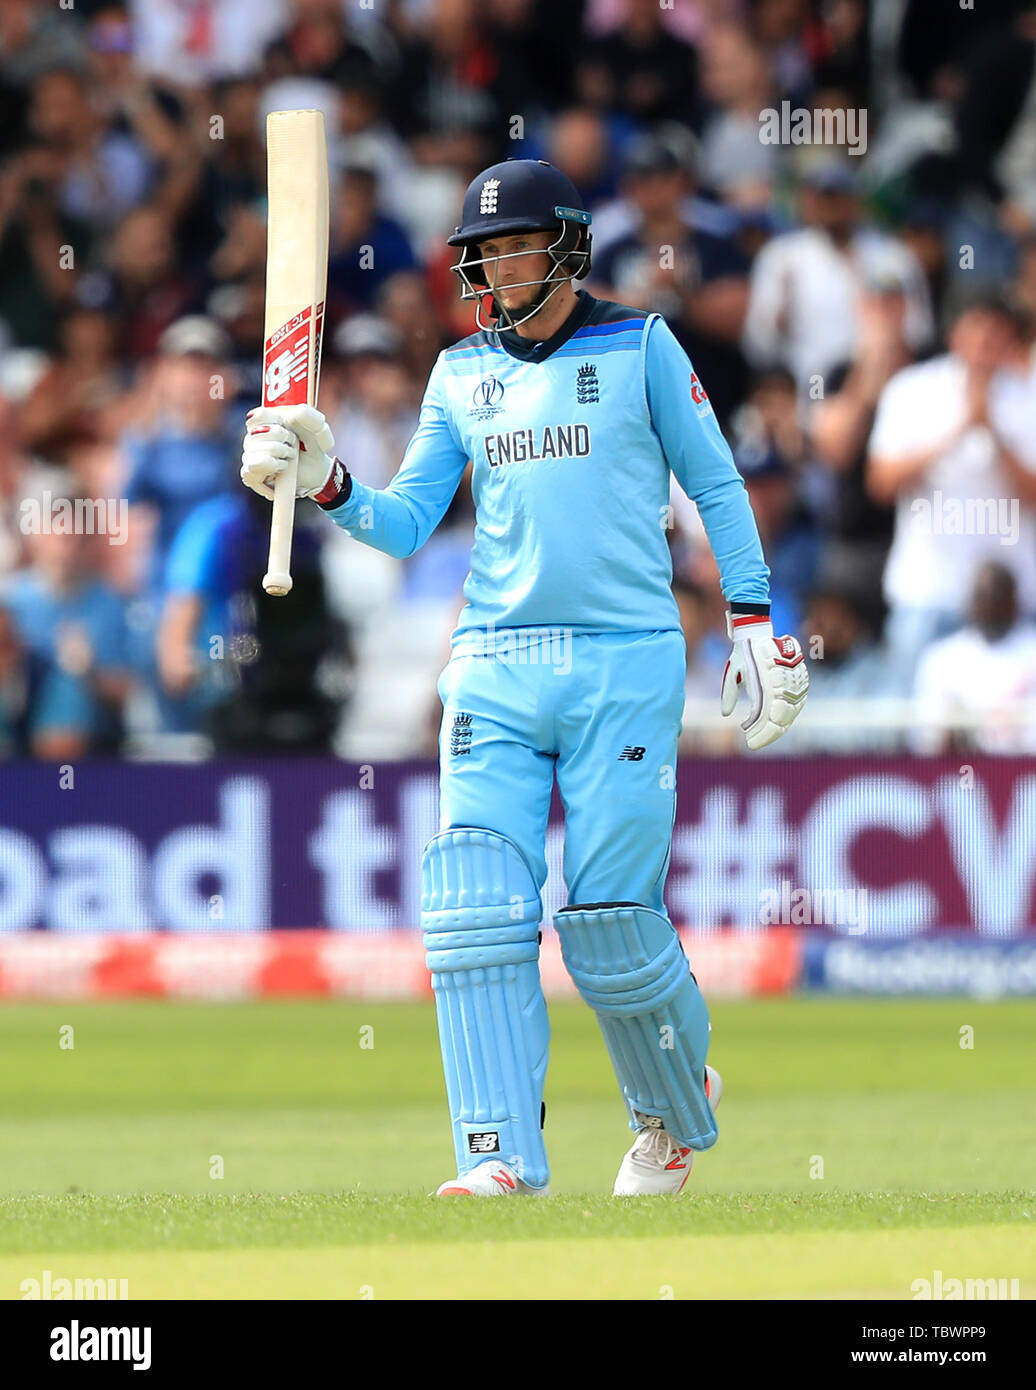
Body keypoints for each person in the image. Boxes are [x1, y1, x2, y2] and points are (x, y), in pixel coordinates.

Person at [241, 159, 809, 1198]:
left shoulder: (640, 344)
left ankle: (673, 1113)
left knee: (607, 921)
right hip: (495, 660)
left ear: (567, 246)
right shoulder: (460, 372)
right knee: (471, 904)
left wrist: (753, 618)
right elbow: (406, 521)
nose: (497, 267)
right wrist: (323, 478)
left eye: (514, 244)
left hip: (624, 656)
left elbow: (717, 485)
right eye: (482, 252)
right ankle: (498, 1157)